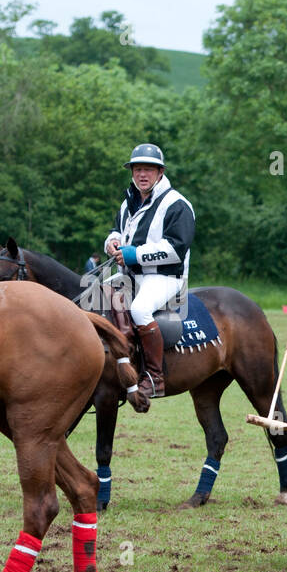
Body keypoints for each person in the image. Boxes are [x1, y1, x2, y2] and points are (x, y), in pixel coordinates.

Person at [104, 143, 194, 398]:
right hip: (131, 276)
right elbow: (116, 231)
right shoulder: (128, 203)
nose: (142, 175)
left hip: (165, 277)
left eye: (148, 170)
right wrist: (111, 243)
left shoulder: (177, 204)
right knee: (95, 293)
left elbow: (177, 247)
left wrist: (134, 254)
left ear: (160, 172)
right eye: (137, 169)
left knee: (140, 309)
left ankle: (155, 377)